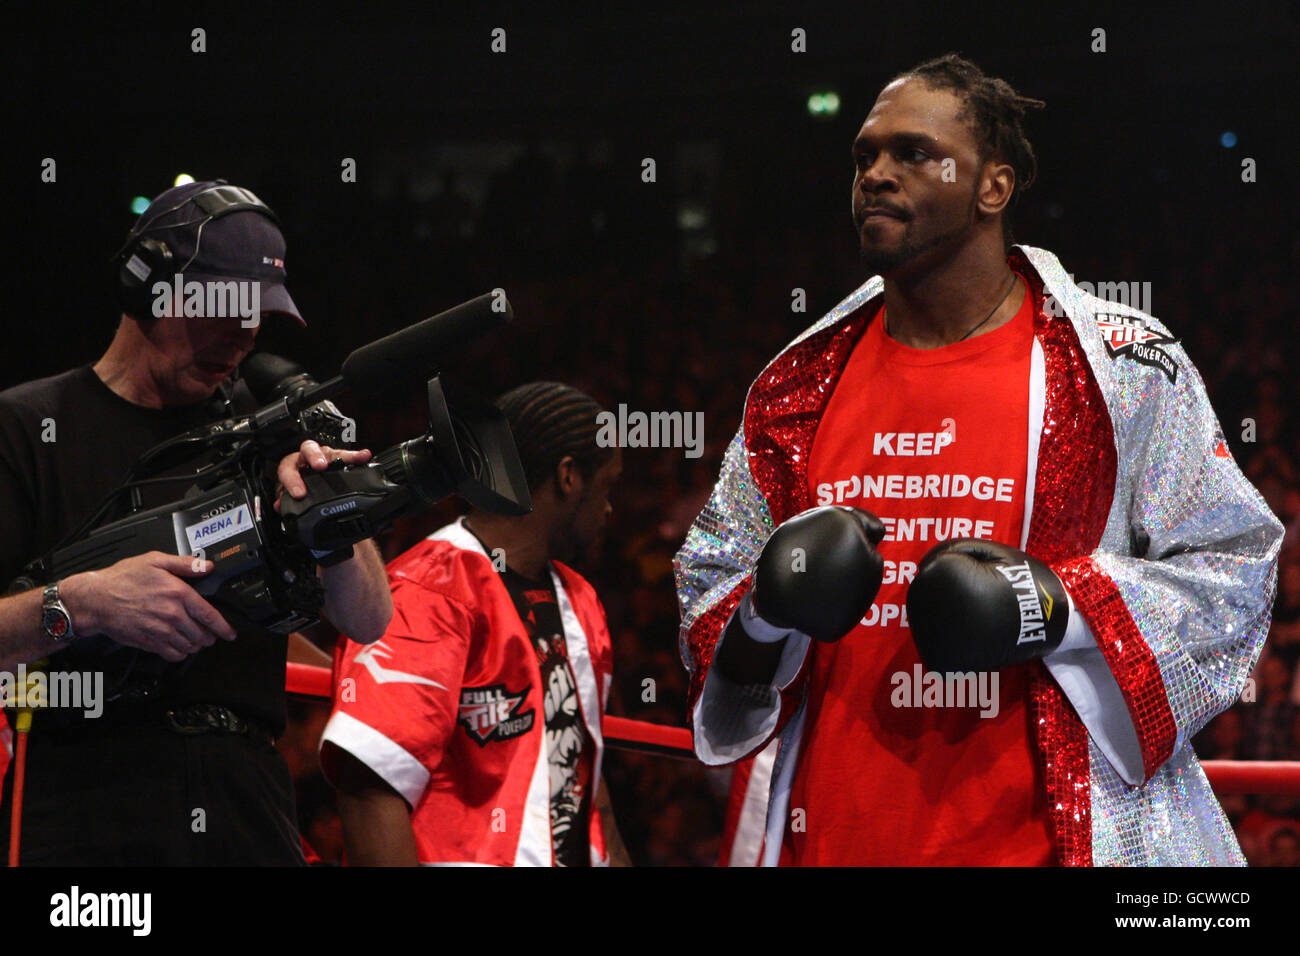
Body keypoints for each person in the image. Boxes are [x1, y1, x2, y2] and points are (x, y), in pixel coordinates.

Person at [675, 54, 1283, 866]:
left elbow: (1235, 568)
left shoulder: (1121, 365)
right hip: (831, 837)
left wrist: (1057, 606)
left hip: (1045, 844)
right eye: (864, 156)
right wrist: (765, 609)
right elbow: (710, 593)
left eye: (913, 154)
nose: (876, 176)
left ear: (993, 187)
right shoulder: (797, 386)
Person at [0, 179, 392, 865]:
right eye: (221, 307)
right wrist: (83, 604)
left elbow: (368, 619)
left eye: (257, 313)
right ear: (145, 287)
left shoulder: (267, 428)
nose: (243, 334)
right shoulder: (29, 426)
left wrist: (333, 506)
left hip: (245, 798)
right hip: (81, 794)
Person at [322, 381, 631, 866]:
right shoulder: (430, 588)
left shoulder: (581, 600)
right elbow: (372, 786)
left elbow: (585, 781)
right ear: (568, 476)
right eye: (607, 487)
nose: (610, 509)